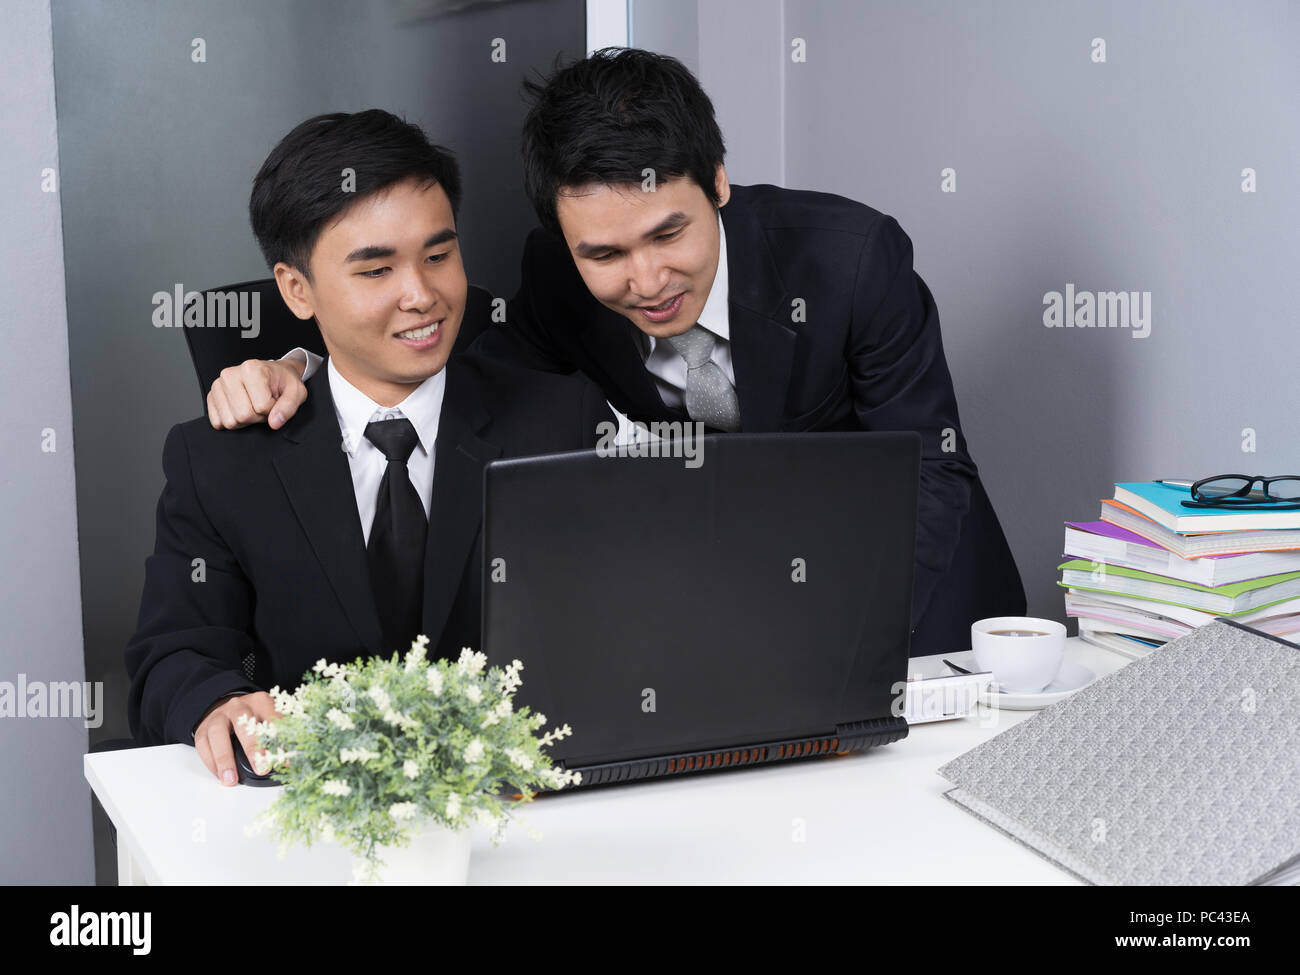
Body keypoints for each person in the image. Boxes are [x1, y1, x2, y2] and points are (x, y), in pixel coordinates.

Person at [204, 49, 1025, 653]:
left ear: (718, 181)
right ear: (563, 241)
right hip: (736, 605)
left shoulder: (850, 260)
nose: (649, 281)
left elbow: (932, 469)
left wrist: (850, 634)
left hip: (925, 596)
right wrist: (295, 369)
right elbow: (453, 373)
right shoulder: (555, 282)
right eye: (604, 255)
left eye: (670, 232)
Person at [125, 110, 610, 784]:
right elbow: (171, 654)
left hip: (518, 806)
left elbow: (615, 629)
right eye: (377, 270)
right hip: (308, 813)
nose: (423, 295)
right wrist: (215, 701)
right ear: (297, 289)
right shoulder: (220, 461)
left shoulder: (559, 423)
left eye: (439, 256)